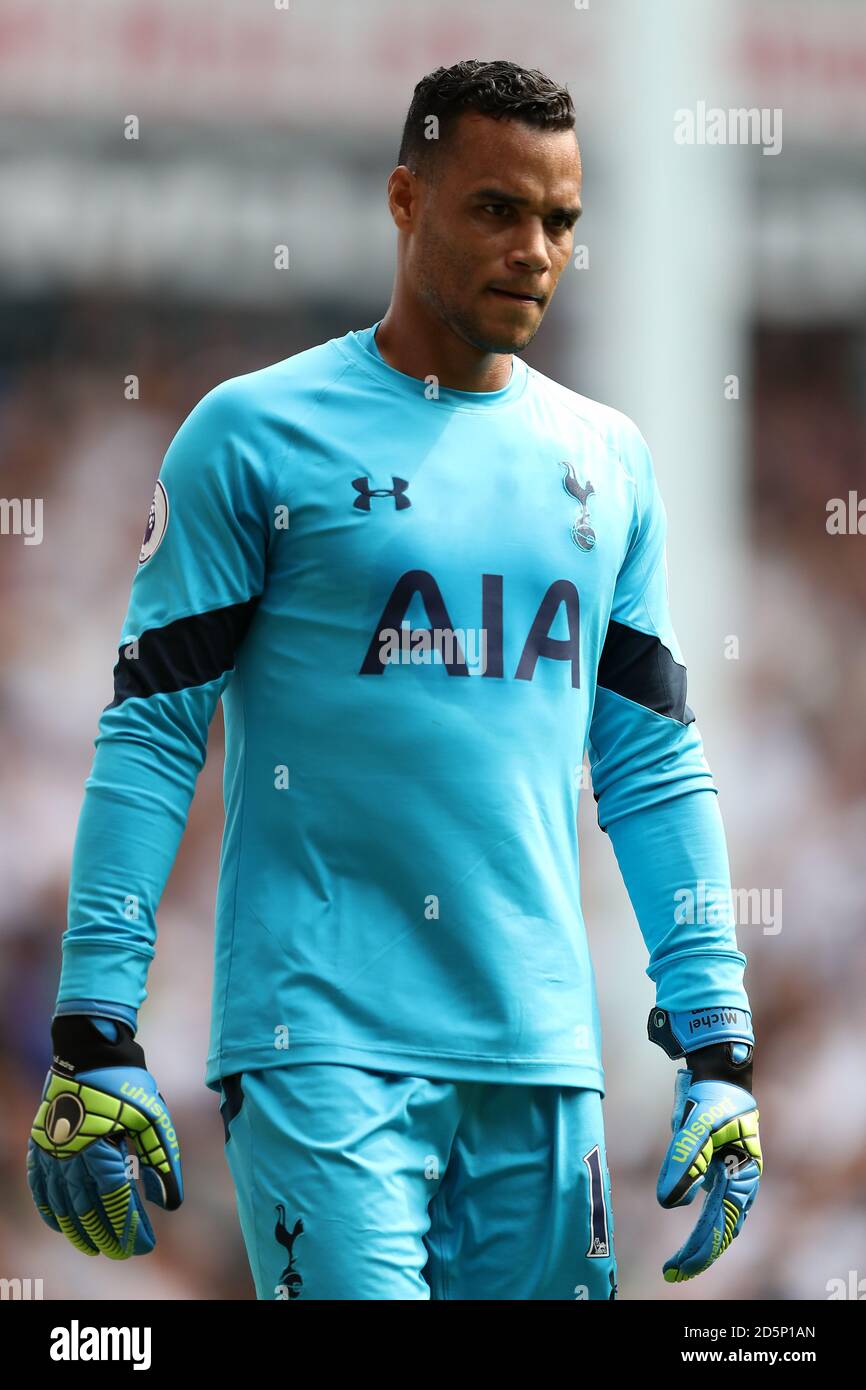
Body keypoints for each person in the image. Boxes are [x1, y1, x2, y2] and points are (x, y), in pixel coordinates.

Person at [28, 58, 762, 1300]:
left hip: (542, 1057)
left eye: (561, 221)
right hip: (319, 1048)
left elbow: (647, 762)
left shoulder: (609, 462)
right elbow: (152, 735)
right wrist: (94, 1022)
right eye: (496, 208)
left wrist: (718, 1043)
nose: (534, 248)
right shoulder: (251, 435)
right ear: (405, 200)